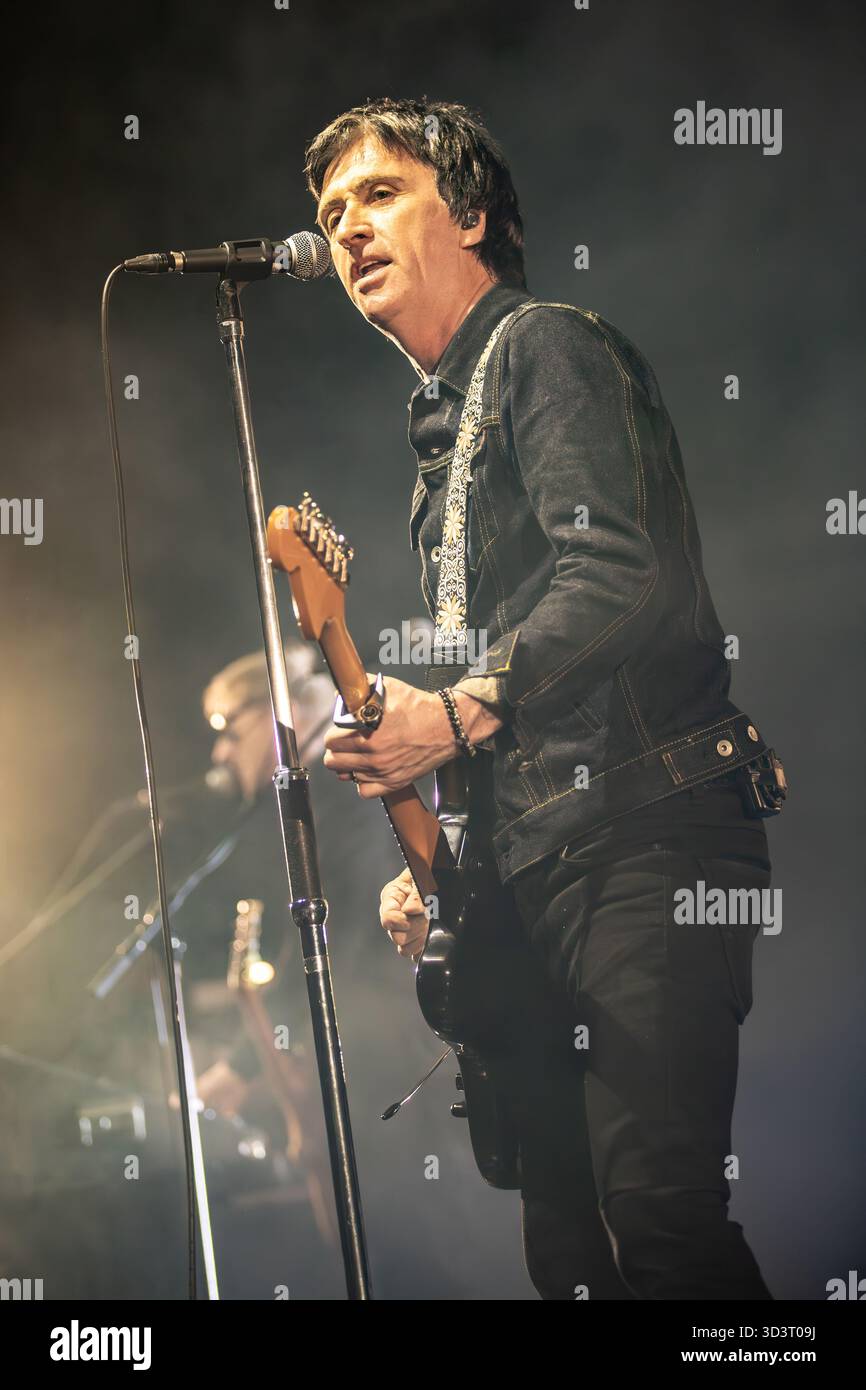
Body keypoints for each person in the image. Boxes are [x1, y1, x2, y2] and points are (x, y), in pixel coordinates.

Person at [305, 97, 786, 1300]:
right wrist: (447, 855)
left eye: (376, 194)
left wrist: (456, 711)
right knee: (572, 1263)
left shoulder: (545, 346)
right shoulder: (438, 456)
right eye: (327, 214)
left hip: (643, 841)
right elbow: (536, 696)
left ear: (466, 212)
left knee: (664, 1233)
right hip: (539, 872)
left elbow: (623, 575)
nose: (343, 230)